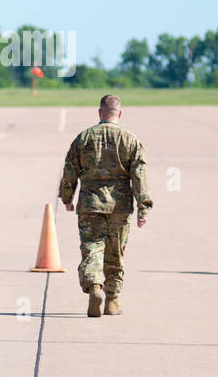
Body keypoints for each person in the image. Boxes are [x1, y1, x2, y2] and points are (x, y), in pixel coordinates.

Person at [58, 94, 153, 317]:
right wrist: (143, 207)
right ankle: (112, 301)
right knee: (115, 253)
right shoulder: (131, 140)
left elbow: (70, 170)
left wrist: (66, 197)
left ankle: (95, 287)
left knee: (92, 249)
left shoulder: (84, 138)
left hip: (90, 205)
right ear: (119, 114)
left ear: (99, 113)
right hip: (120, 207)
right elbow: (139, 175)